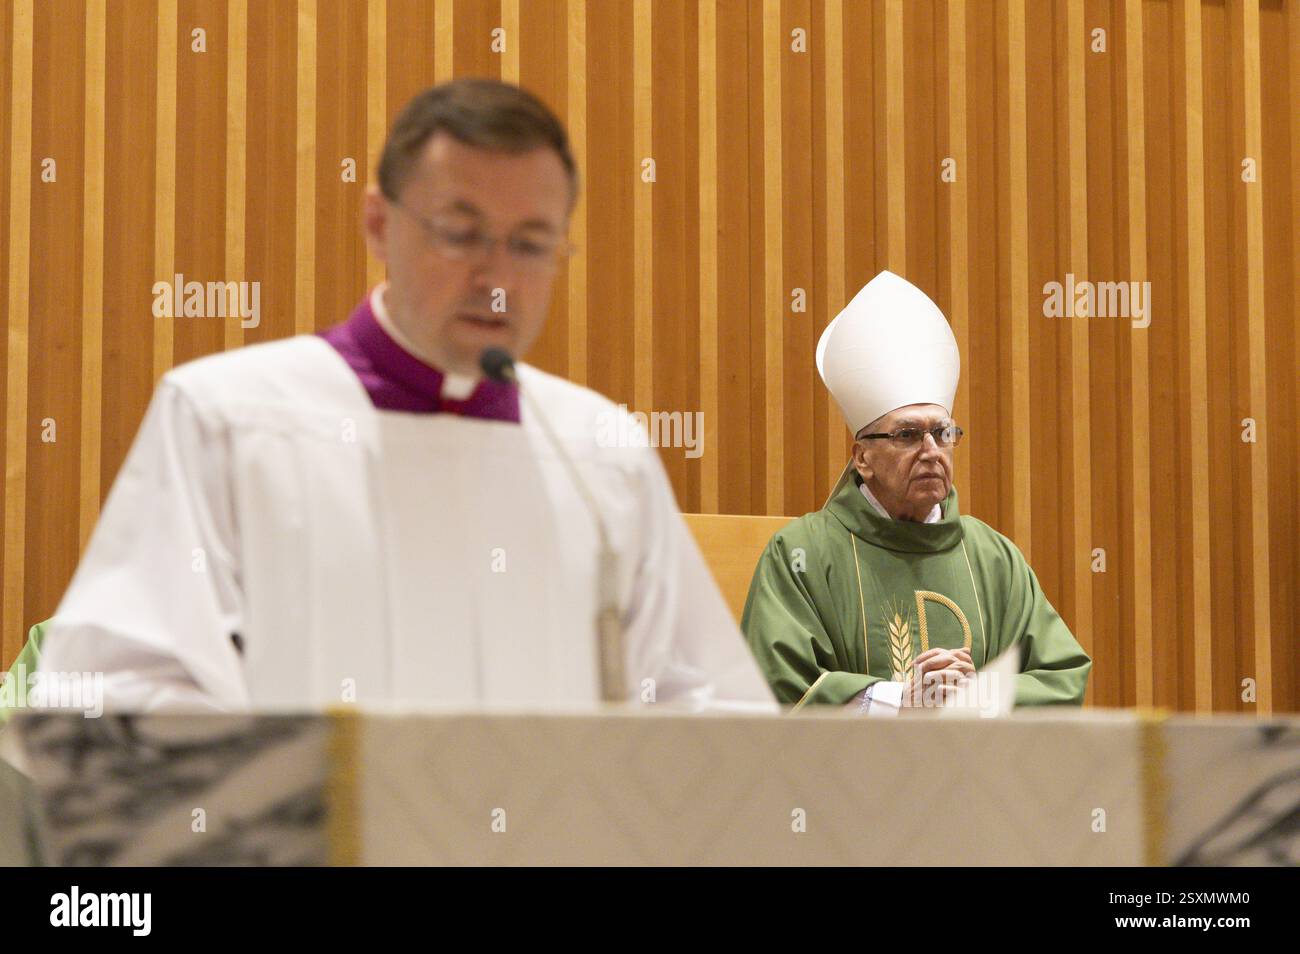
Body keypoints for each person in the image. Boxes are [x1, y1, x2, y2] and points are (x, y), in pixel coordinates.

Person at [26, 79, 772, 716]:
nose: (497, 277)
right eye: (461, 232)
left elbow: (704, 717)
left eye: (531, 243)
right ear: (379, 224)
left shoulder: (600, 453)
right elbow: (120, 694)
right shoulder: (228, 419)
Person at [741, 270, 1090, 714]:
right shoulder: (801, 555)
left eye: (942, 433)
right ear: (862, 458)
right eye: (907, 435)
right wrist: (897, 701)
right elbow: (772, 691)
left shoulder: (994, 558)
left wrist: (977, 696)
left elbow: (1061, 681)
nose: (931, 451)